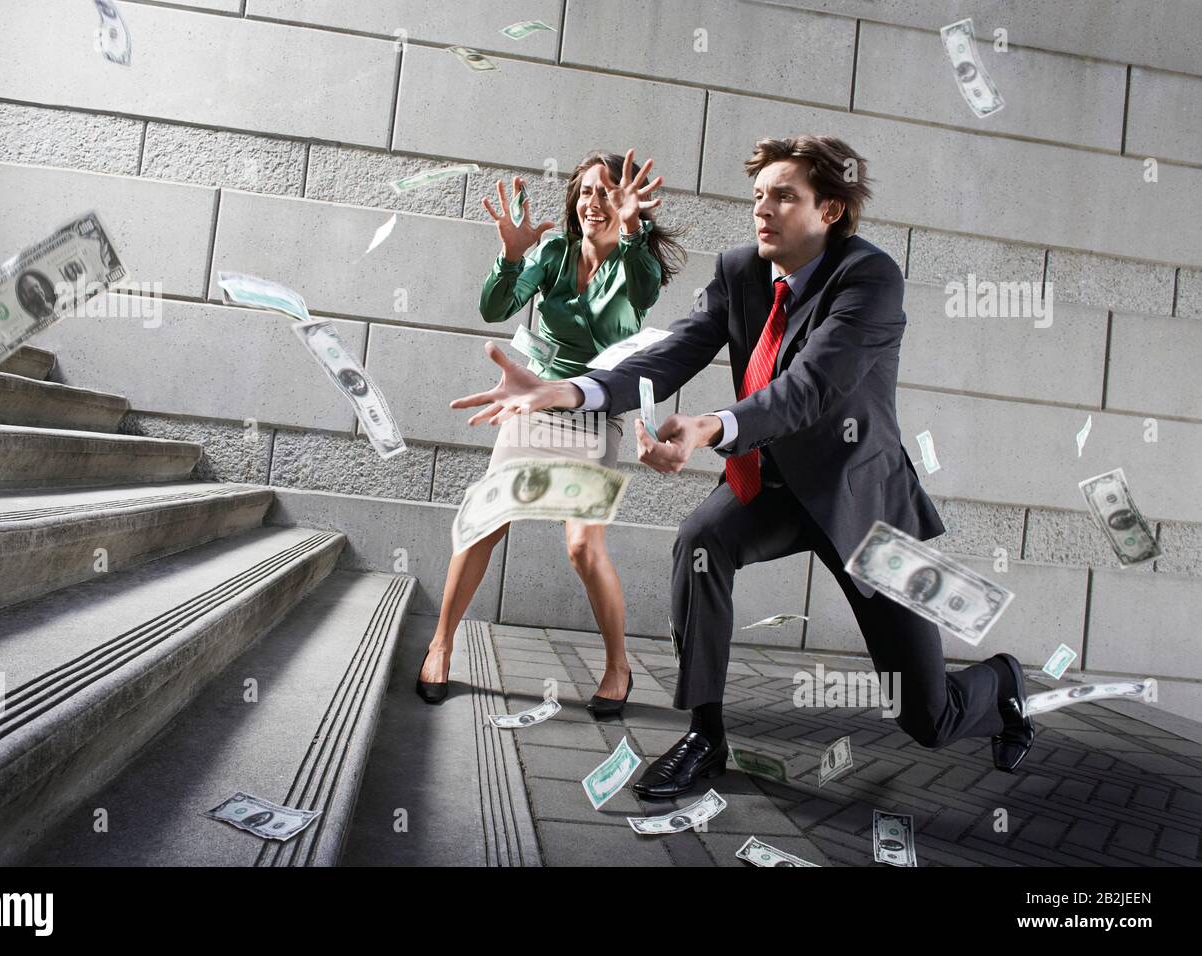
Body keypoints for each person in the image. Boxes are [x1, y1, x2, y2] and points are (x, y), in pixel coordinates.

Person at [449, 135, 1036, 796]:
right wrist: (573, 390)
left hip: (864, 504)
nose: (764, 208)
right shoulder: (739, 273)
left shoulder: (871, 278)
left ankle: (1004, 681)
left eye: (785, 196)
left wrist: (710, 426)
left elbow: (809, 389)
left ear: (832, 211)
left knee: (929, 718)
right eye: (759, 195)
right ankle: (705, 736)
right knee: (702, 540)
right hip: (773, 489)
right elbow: (673, 352)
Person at [417, 149, 687, 718]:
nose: (595, 201)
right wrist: (511, 258)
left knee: (583, 547)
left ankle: (618, 665)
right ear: (574, 199)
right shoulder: (554, 253)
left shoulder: (638, 270)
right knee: (483, 524)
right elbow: (495, 307)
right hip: (534, 404)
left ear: (625, 202)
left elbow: (643, 279)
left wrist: (633, 225)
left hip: (594, 416)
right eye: (587, 190)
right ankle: (441, 644)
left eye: (609, 191)